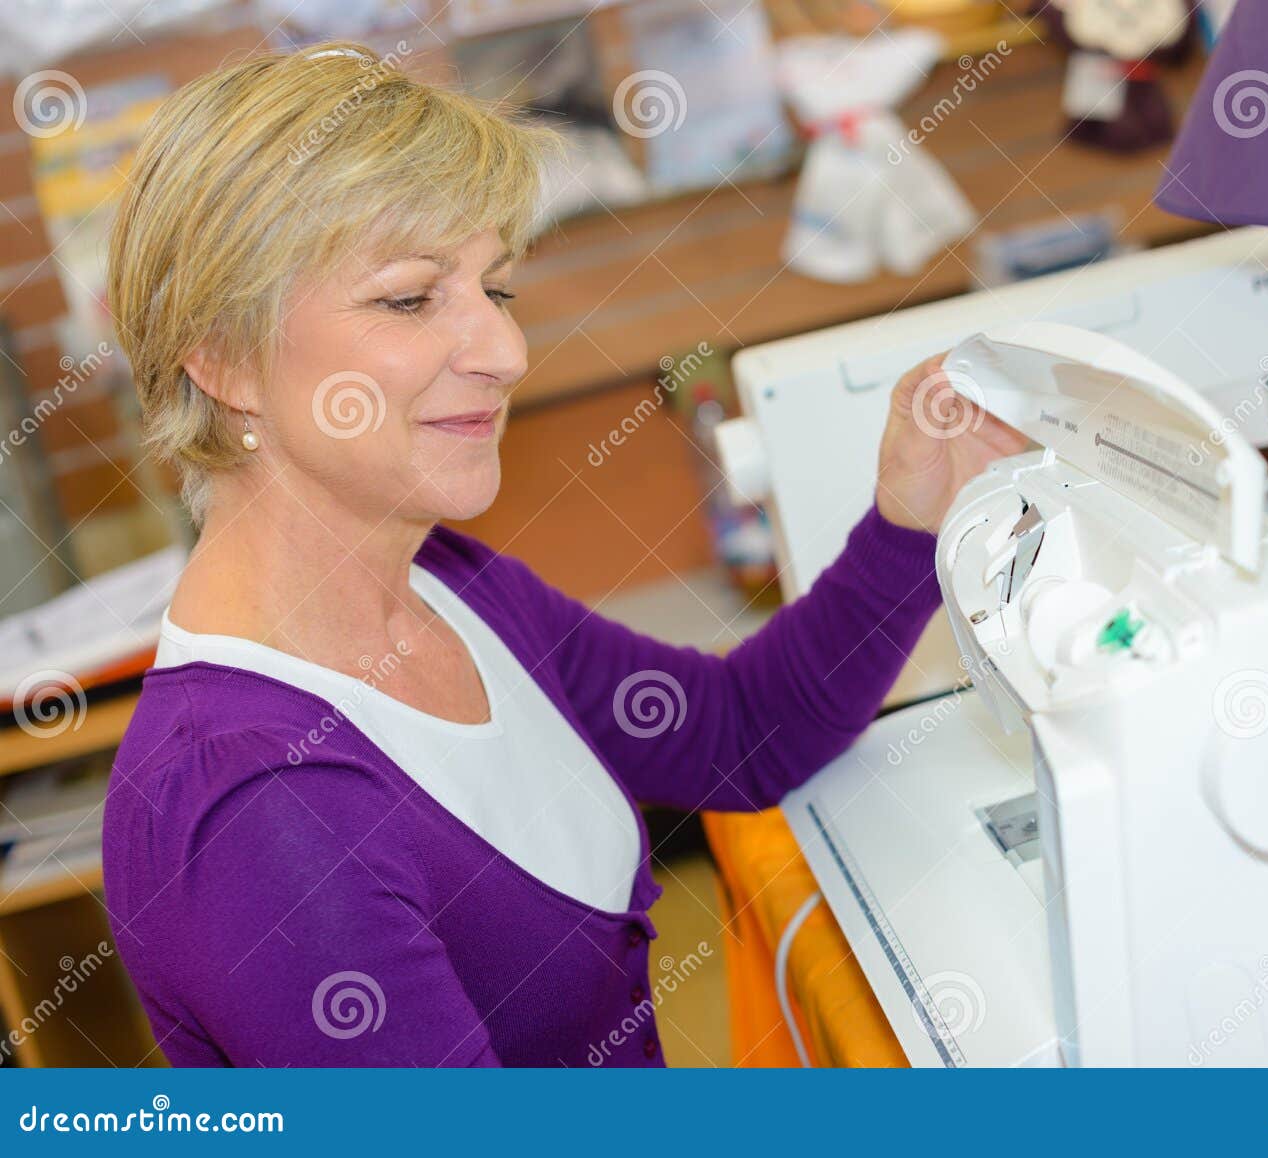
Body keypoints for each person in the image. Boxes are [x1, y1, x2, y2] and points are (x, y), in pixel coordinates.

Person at [101, 41, 1027, 1067]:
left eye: (495, 291)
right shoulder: (253, 809)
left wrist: (909, 521)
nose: (505, 354)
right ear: (224, 358)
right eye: (410, 299)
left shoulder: (449, 584)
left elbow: (733, 732)